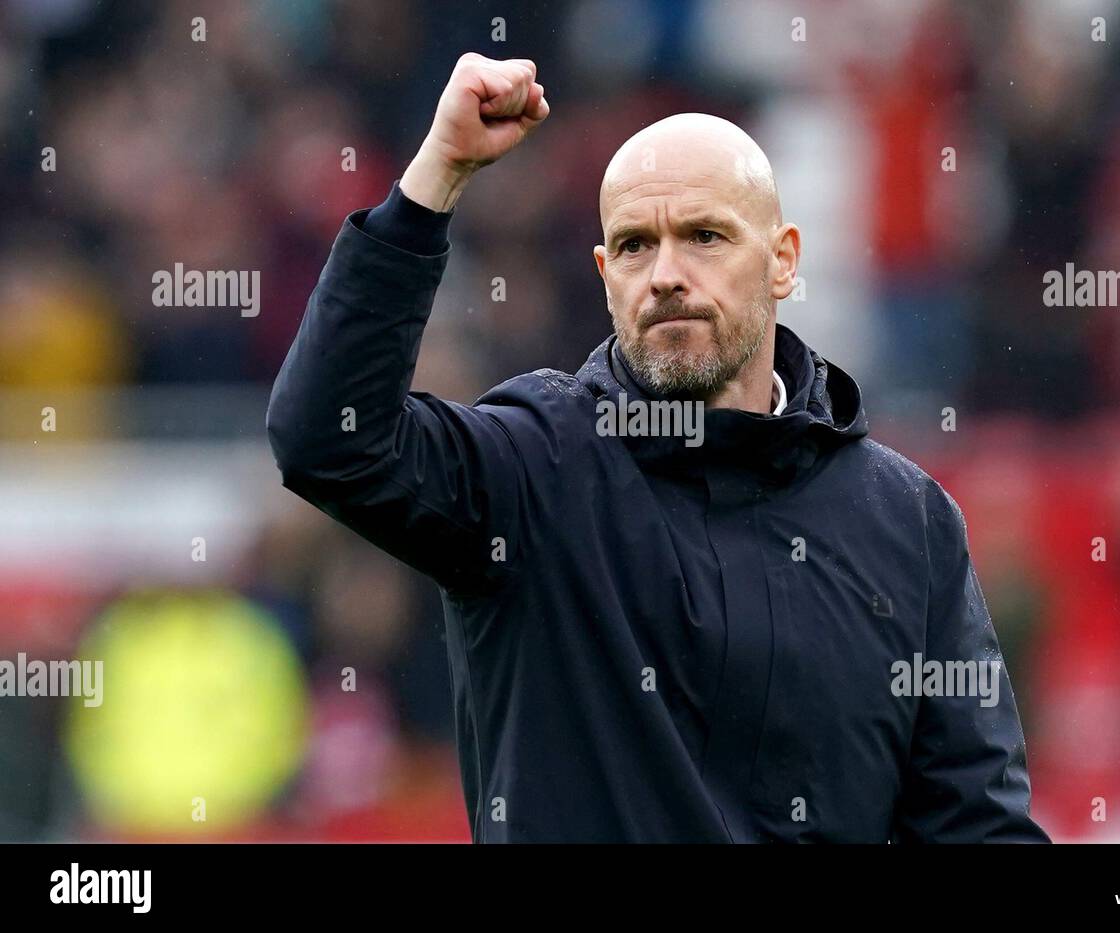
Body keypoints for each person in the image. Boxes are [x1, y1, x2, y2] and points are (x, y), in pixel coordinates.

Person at [267, 52, 1049, 843]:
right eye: (636, 245)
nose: (666, 274)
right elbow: (326, 440)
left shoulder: (907, 521)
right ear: (606, 274)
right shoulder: (533, 467)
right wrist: (434, 178)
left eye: (705, 236)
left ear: (783, 260)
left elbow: (977, 827)